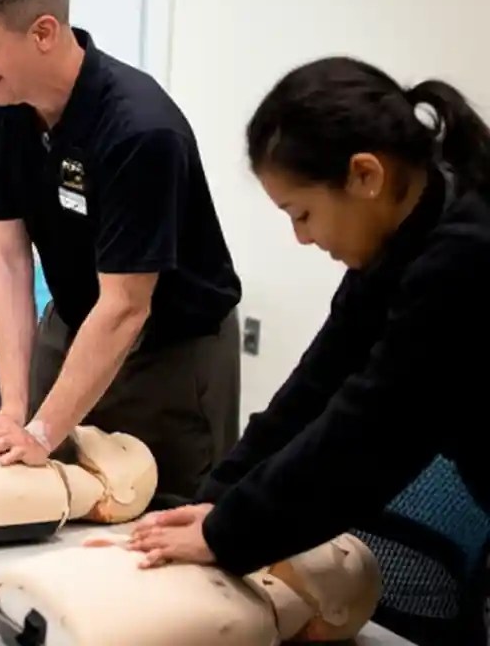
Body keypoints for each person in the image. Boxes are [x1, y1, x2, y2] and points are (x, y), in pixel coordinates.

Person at [125, 57, 490, 578]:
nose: (302, 237)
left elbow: (373, 430)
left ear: (365, 175)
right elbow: (316, 385)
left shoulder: (466, 254)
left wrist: (226, 533)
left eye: (303, 214)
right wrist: (215, 502)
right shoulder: (399, 238)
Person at [0, 0, 242, 501]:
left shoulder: (139, 130)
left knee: (154, 520)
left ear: (44, 33)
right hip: (75, 319)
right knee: (13, 480)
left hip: (169, 345)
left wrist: (43, 430)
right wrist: (14, 406)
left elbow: (127, 306)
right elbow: (5, 259)